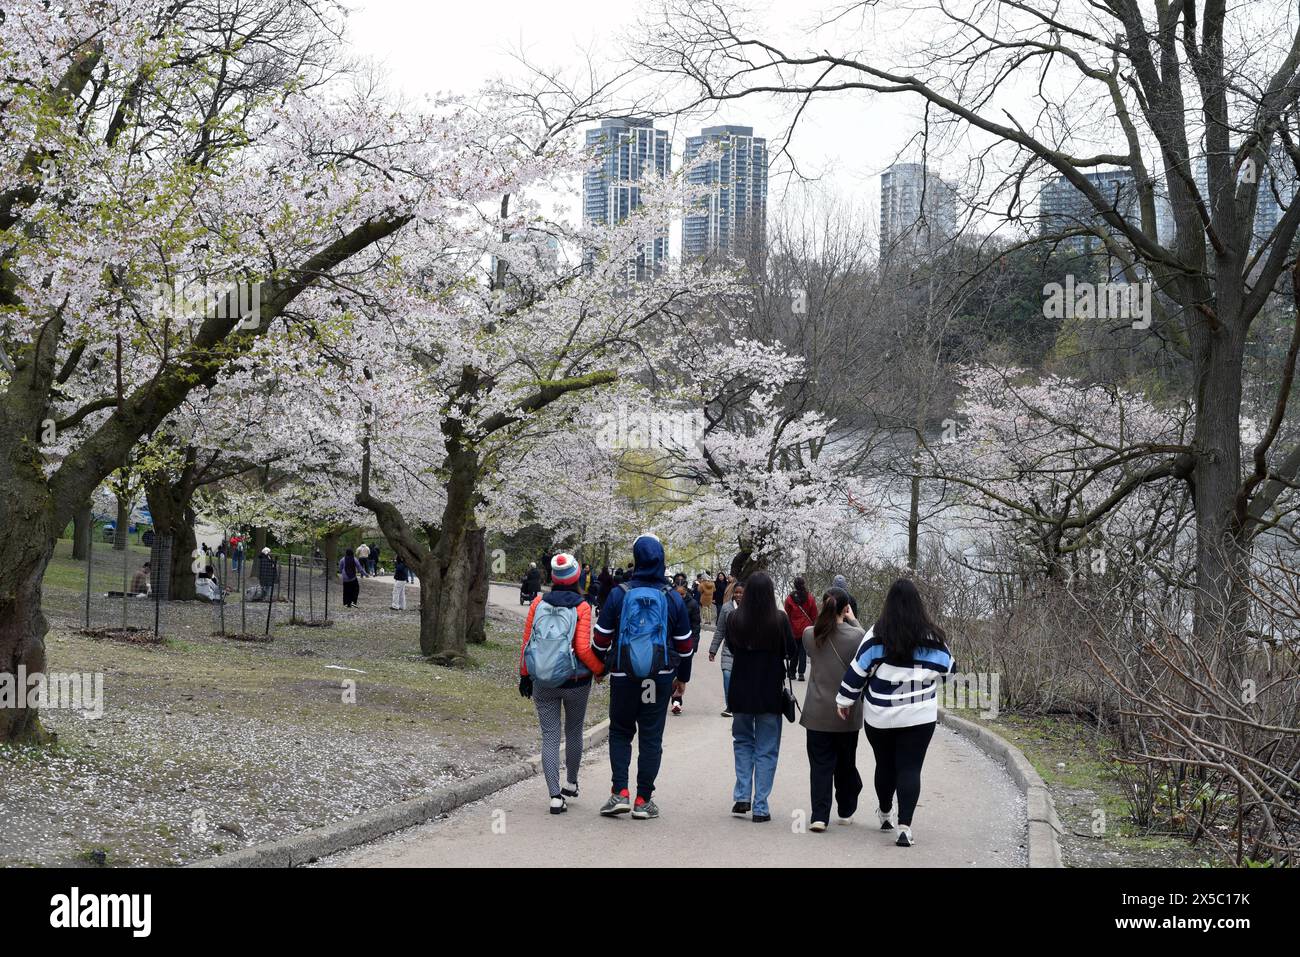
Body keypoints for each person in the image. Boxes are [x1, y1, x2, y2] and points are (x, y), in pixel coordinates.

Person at [836, 578, 955, 847]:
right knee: (911, 768)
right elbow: (949, 671)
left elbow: (858, 670)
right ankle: (905, 827)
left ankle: (886, 813)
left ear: (888, 603)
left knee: (885, 765)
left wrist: (844, 700)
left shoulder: (877, 634)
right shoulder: (934, 636)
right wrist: (925, 683)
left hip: (881, 715)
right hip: (920, 716)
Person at [590, 534, 694, 820]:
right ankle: (643, 799)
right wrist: (681, 678)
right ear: (661, 559)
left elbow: (600, 640)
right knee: (650, 736)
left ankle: (619, 793)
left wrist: (601, 667)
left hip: (624, 676)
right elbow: (685, 645)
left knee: (621, 731)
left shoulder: (619, 593)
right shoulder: (671, 597)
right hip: (656, 679)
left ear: (636, 559)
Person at [518, 553, 604, 814]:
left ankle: (555, 796)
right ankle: (571, 782)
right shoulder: (582, 607)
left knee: (550, 736)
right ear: (577, 576)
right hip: (575, 681)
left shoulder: (537, 603)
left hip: (543, 679)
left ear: (553, 578)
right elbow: (581, 647)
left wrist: (524, 675)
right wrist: (600, 669)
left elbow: (527, 642)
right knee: (574, 731)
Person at [724, 570, 796, 823]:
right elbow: (792, 651)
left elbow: (732, 648)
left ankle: (742, 795)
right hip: (769, 693)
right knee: (766, 748)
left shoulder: (734, 619)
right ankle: (761, 806)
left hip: (741, 691)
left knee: (742, 741)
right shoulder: (779, 620)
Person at [800, 587, 865, 831]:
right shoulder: (856, 636)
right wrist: (853, 619)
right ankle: (846, 809)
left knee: (820, 765)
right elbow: (867, 640)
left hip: (817, 712)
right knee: (846, 763)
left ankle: (819, 816)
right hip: (847, 713)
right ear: (845, 608)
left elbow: (816, 634)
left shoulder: (810, 634)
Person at [708, 578, 744, 717]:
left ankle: (740, 704)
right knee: (727, 676)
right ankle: (730, 707)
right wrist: (713, 650)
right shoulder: (726, 608)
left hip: (744, 651)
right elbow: (720, 630)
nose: (739, 595)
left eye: (741, 593)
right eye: (736, 593)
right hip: (728, 649)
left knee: (741, 680)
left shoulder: (751, 608)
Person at [670, 574, 701, 716]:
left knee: (681, 675)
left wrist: (693, 644)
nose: (680, 597)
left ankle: (676, 701)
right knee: (672, 673)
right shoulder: (668, 602)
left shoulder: (693, 604)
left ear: (687, 592)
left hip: (686, 644)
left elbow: (696, 626)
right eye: (678, 594)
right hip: (670, 645)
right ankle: (675, 701)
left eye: (682, 594)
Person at [784, 576, 818, 682]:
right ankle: (801, 673)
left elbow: (786, 614)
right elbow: (814, 614)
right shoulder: (810, 598)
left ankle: (791, 673)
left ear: (794, 585)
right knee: (803, 651)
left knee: (794, 651)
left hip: (793, 629)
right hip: (806, 629)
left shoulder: (790, 599)